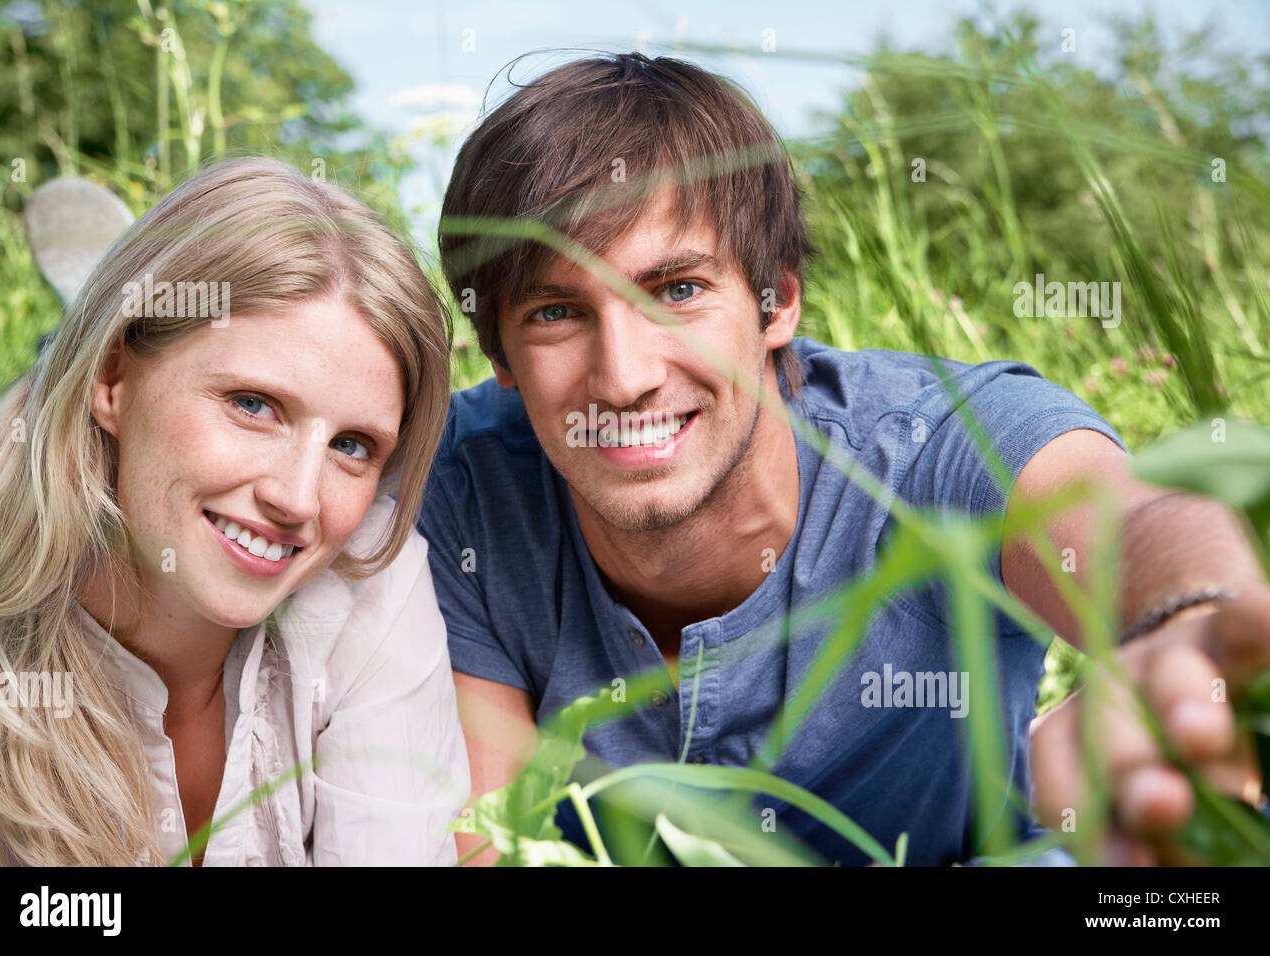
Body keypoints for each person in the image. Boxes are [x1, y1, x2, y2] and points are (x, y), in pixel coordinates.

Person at [423, 52, 1270, 866]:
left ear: (777, 301)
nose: (626, 376)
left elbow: (1134, 513)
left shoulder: (940, 441)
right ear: (499, 354)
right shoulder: (457, 488)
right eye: (556, 312)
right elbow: (485, 845)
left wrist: (1189, 625)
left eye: (678, 291)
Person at [0, 156, 470, 866]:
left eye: (352, 445)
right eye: (253, 404)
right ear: (113, 378)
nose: (297, 499)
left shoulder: (369, 577)